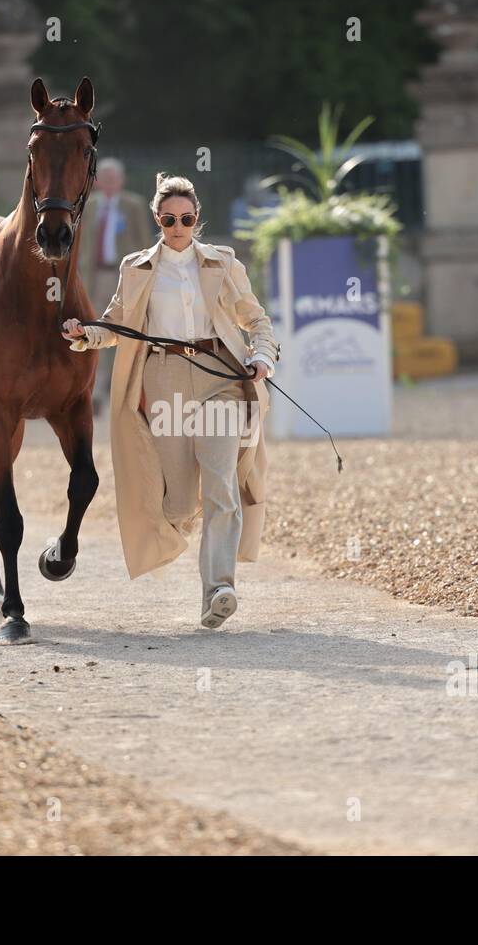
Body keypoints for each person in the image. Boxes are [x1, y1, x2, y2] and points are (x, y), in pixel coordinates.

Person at [62, 172, 278, 630]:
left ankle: (219, 588)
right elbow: (116, 325)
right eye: (168, 219)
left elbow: (256, 319)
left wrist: (261, 357)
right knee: (179, 502)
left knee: (220, 484)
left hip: (220, 374)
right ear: (156, 219)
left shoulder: (223, 262)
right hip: (163, 380)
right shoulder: (137, 267)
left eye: (186, 218)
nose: (178, 226)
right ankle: (181, 540)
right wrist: (84, 336)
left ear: (197, 218)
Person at [78, 158, 153, 414]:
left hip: (125, 277)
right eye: (105, 178)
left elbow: (144, 241)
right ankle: (97, 392)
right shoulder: (88, 207)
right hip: (95, 277)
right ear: (97, 182)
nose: (109, 183)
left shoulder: (133, 205)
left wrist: (144, 276)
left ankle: (129, 391)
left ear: (121, 181)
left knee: (127, 331)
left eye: (114, 178)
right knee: (97, 331)